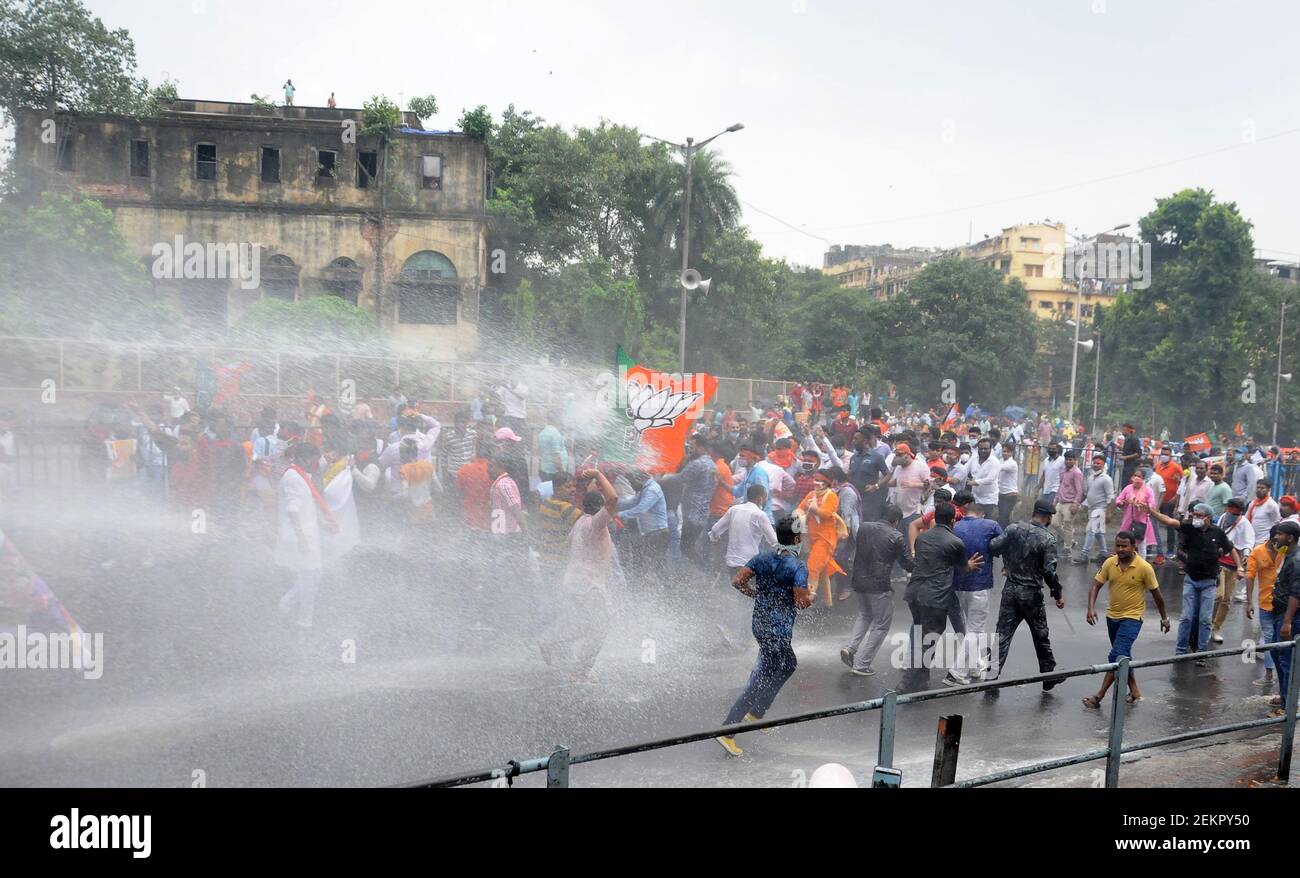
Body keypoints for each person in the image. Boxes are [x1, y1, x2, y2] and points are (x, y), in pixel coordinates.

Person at [716, 517, 813, 757]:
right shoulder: (797, 567)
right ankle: (728, 730)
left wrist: (756, 595)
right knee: (763, 676)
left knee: (786, 664)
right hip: (777, 631)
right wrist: (812, 596)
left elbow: (737, 581)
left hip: (760, 626)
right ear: (798, 539)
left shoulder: (762, 558)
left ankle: (758, 712)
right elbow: (801, 603)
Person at [537, 469, 620, 681]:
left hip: (575, 583)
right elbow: (613, 499)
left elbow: (602, 499)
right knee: (600, 628)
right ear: (601, 510)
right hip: (588, 586)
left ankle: (550, 641)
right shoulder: (595, 525)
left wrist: (593, 481)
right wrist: (600, 474)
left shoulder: (580, 522)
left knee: (586, 625)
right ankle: (580, 671)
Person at [1081, 531, 1171, 707]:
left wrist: (1164, 618)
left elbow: (1157, 595)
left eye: (1125, 546)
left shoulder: (1144, 567)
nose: (1120, 549)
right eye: (1118, 545)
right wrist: (1090, 608)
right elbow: (1096, 586)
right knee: (1123, 656)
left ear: (1133, 547)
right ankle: (1135, 692)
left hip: (1132, 618)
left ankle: (1098, 697)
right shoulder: (1109, 563)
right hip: (1112, 617)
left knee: (1116, 656)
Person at [902, 501, 984, 691]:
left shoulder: (922, 538)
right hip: (935, 597)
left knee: (921, 635)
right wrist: (970, 565)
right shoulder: (955, 542)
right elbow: (963, 568)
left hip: (914, 594)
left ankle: (921, 679)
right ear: (953, 521)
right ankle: (908, 682)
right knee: (929, 640)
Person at [1143, 502, 1238, 663]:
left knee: (1204, 619)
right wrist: (1153, 512)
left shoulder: (1218, 533)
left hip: (1209, 582)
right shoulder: (1190, 528)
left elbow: (1230, 548)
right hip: (1191, 580)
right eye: (1194, 514)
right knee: (1186, 617)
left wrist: (1240, 566)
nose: (1196, 518)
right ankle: (1180, 652)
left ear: (1208, 517)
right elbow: (1169, 521)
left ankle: (1201, 653)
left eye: (1199, 515)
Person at [988, 499, 1064, 690]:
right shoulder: (1048, 539)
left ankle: (990, 677)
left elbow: (994, 546)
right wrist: (1057, 592)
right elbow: (1049, 571)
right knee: (1041, 635)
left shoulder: (1014, 529)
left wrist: (1007, 560)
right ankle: (1048, 676)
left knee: (1002, 635)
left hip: (1010, 590)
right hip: (1031, 595)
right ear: (1047, 517)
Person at [841, 504, 913, 676]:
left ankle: (850, 648)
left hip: (858, 581)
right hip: (879, 586)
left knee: (865, 615)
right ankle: (862, 664)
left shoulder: (864, 528)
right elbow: (907, 564)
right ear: (896, 520)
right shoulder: (896, 536)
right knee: (880, 625)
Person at [275, 442, 335, 629]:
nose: (316, 464)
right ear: (304, 459)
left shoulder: (300, 476)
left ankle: (289, 609)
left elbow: (305, 507)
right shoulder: (293, 477)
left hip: (307, 535)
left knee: (310, 576)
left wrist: (322, 524)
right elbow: (293, 511)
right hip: (300, 537)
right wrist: (301, 539)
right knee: (312, 576)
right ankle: (302, 620)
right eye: (314, 460)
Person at [948, 493, 1002, 685]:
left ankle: (973, 667)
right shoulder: (991, 525)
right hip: (980, 585)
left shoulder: (955, 527)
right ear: (982, 514)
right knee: (975, 629)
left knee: (971, 626)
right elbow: (1002, 545)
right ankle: (956, 673)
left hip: (958, 585)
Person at [1245, 523, 1288, 691]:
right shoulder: (1257, 552)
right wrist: (1249, 602)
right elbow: (1250, 577)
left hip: (1284, 604)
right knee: (1270, 639)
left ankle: (1285, 678)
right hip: (1265, 603)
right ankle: (1269, 674)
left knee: (1283, 640)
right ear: (1272, 539)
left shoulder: (1285, 551)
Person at [795, 468, 844, 606]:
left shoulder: (832, 496)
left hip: (826, 538)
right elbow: (800, 508)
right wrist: (799, 515)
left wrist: (813, 508)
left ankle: (808, 598)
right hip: (812, 537)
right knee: (821, 570)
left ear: (827, 482)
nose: (816, 483)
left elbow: (826, 514)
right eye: (815, 480)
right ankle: (828, 603)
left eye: (819, 481)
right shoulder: (811, 495)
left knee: (813, 566)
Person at [1268, 521, 1300, 714]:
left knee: (1287, 660)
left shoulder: (1296, 561)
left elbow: (1296, 594)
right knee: (1277, 655)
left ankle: (1288, 707)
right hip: (1279, 614)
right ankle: (1284, 696)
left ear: (1290, 537)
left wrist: (1287, 622)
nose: (1276, 537)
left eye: (1279, 534)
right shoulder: (1287, 556)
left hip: (1290, 618)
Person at [1212, 497, 1252, 644]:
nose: (1231, 515)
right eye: (1230, 511)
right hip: (1219, 562)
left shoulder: (1245, 524)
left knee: (1226, 600)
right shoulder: (1222, 518)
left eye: (1235, 514)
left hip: (1234, 566)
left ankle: (1216, 628)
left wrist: (1245, 559)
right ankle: (1207, 622)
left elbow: (1248, 542)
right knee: (1219, 595)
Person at [1114, 471, 1158, 561]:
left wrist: (1143, 505)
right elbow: (1119, 499)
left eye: (1139, 476)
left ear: (1143, 478)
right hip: (1128, 520)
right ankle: (1124, 560)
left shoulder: (1148, 490)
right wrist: (1121, 502)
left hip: (1141, 522)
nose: (1136, 478)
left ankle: (1142, 564)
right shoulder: (1128, 488)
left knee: (1141, 544)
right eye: (1135, 475)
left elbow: (1152, 504)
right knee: (1123, 541)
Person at [1055, 450, 1085, 557]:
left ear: (1075, 460)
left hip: (1070, 503)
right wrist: (1056, 500)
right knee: (1054, 523)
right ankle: (1070, 541)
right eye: (1066, 459)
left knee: (1067, 525)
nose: (1068, 461)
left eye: (1070, 459)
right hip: (1061, 501)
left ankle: (1067, 549)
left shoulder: (1077, 473)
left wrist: (1075, 504)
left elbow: (1080, 490)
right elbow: (1061, 486)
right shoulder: (1063, 471)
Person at [966, 438, 1000, 520]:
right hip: (975, 498)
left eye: (986, 449)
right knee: (974, 522)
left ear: (990, 449)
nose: (983, 451)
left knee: (986, 523)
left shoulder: (994, 462)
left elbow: (990, 479)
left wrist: (974, 482)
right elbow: (964, 470)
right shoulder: (973, 460)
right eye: (981, 449)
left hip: (988, 500)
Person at [536, 413, 569, 484]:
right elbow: (556, 455)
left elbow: (541, 452)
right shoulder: (555, 434)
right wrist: (561, 471)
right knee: (557, 493)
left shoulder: (542, 433)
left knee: (548, 493)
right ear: (557, 420)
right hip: (554, 472)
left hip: (545, 469)